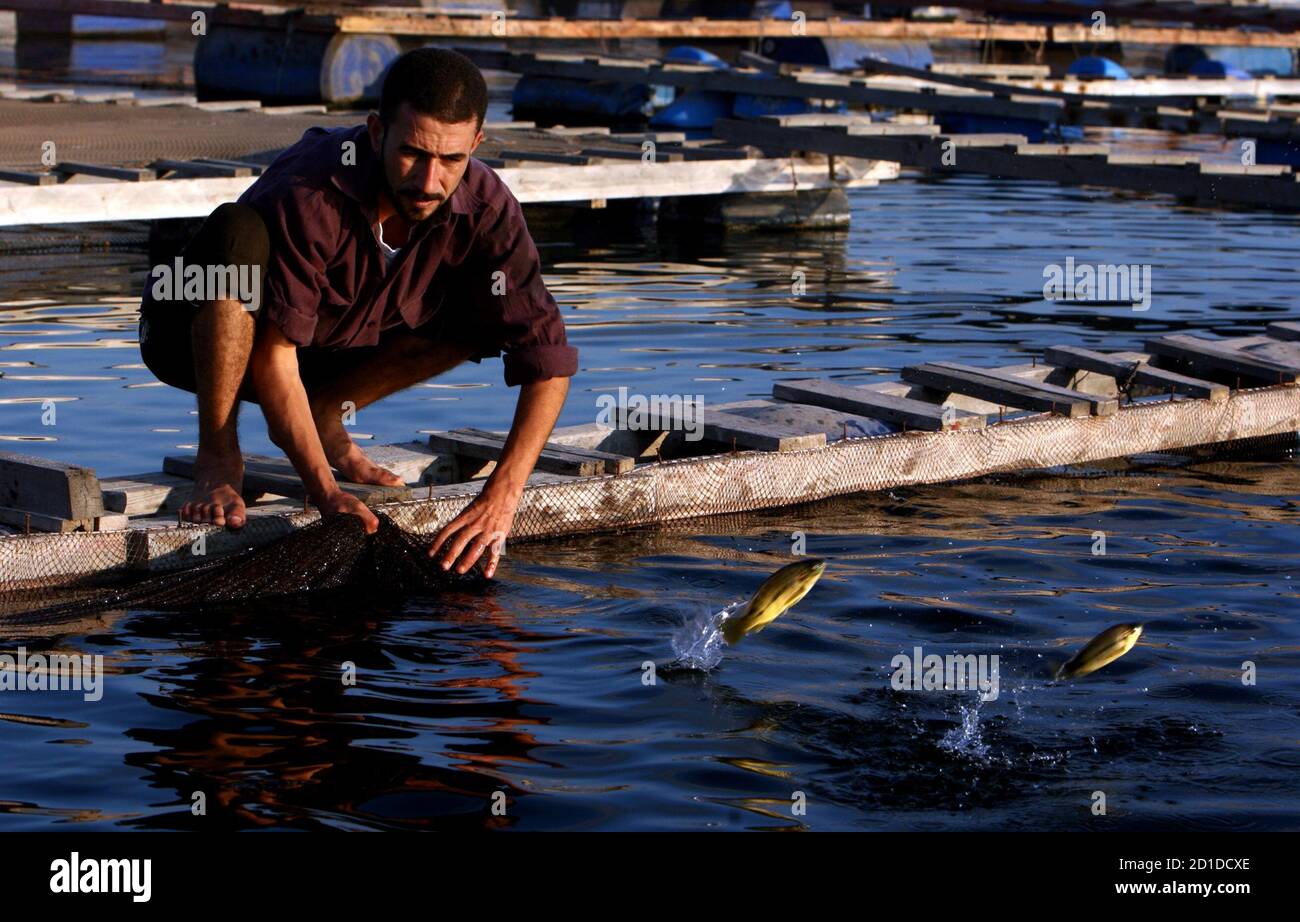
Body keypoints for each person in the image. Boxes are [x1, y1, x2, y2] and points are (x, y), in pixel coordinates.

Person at [137, 48, 577, 578]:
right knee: (236, 232)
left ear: (477, 145)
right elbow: (274, 358)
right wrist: (325, 494)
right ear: (376, 132)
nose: (430, 181)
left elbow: (547, 358)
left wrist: (501, 496)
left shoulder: (487, 205)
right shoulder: (312, 190)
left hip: (323, 352)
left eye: (453, 160)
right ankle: (217, 453)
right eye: (413, 153)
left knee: (487, 305)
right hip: (194, 338)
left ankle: (328, 412)